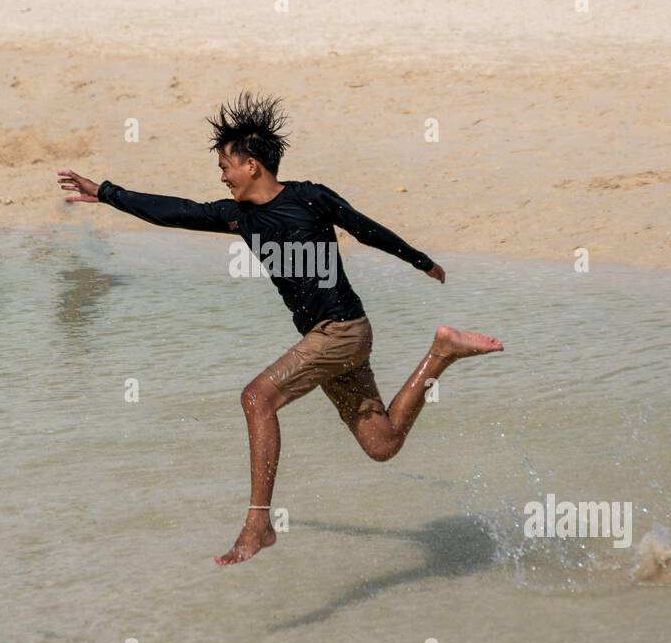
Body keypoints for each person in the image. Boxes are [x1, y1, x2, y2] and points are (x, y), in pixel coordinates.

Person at [57, 92, 503, 565]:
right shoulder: (239, 217)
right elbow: (175, 210)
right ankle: (442, 353)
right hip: (330, 340)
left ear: (252, 165)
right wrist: (106, 193)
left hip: (341, 333)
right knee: (382, 443)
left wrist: (421, 262)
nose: (222, 175)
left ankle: (258, 523)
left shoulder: (309, 196)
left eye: (226, 165)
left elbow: (363, 227)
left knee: (256, 398)